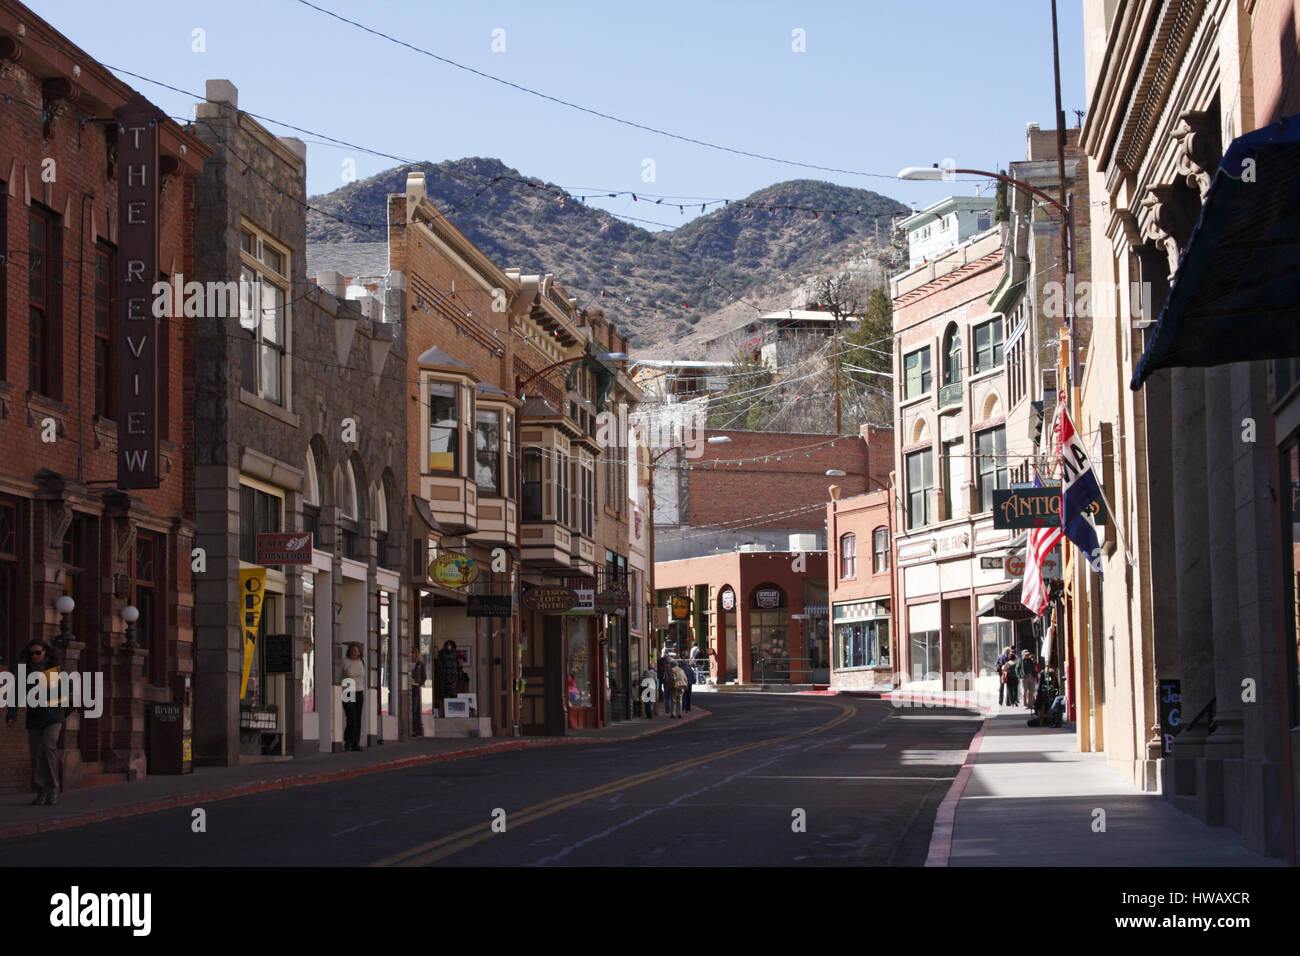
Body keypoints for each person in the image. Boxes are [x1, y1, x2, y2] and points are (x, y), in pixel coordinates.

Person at [5, 640, 67, 805]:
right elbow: (16, 692)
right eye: (32, 653)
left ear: (45, 652)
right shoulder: (25, 671)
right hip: (35, 717)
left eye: (38, 652)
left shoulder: (56, 669)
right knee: (36, 755)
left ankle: (53, 789)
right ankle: (41, 790)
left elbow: (66, 689)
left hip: (54, 716)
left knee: (48, 747)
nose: (35, 656)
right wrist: (12, 714)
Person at [341, 642, 365, 751]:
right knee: (351, 717)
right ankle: (348, 741)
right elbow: (339, 675)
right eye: (352, 651)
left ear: (359, 652)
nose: (353, 653)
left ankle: (355, 743)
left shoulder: (362, 661)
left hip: (359, 690)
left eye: (356, 651)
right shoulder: (345, 662)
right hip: (348, 690)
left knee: (358, 717)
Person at [435, 640, 462, 710]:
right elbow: (439, 665)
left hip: (453, 676)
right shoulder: (441, 653)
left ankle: (454, 710)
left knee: (453, 693)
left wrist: (460, 674)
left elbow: (459, 664)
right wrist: (440, 673)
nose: (449, 646)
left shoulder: (456, 653)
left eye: (450, 645)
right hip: (444, 676)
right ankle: (446, 711)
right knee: (444, 694)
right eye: (448, 645)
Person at [411, 652, 427, 737]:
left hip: (416, 687)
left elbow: (424, 676)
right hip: (409, 686)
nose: (412, 655)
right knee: (411, 709)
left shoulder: (420, 664)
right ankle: (412, 728)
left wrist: (419, 683)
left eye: (414, 654)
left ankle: (414, 729)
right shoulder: (408, 663)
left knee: (414, 708)